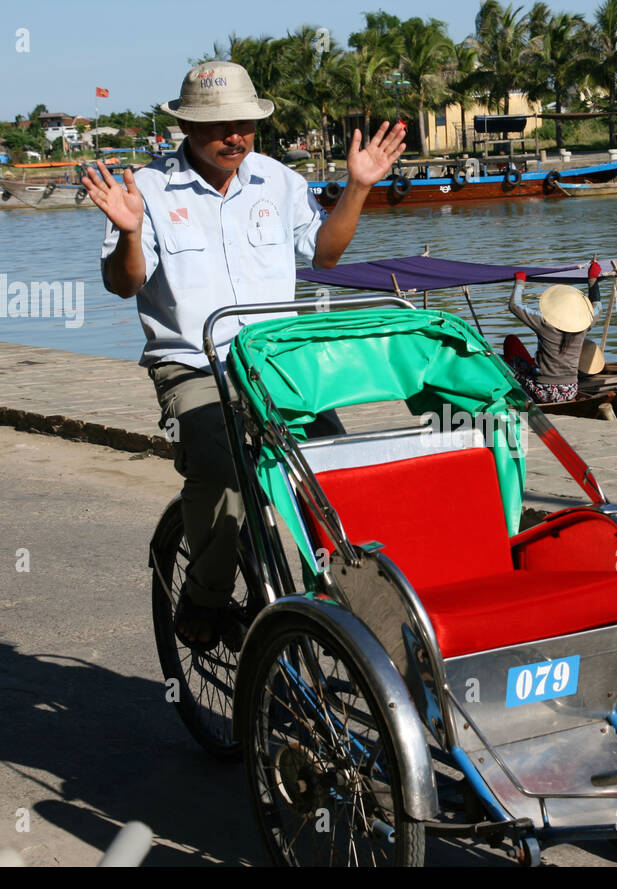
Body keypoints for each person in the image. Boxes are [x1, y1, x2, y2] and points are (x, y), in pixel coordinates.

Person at [83, 60, 405, 647]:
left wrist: (359, 186)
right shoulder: (146, 189)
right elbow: (124, 285)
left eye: (244, 124)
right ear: (186, 127)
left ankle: (346, 599)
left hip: (275, 360)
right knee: (223, 476)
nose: (234, 136)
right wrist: (130, 232)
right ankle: (202, 603)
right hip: (192, 365)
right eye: (217, 125)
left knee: (333, 468)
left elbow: (324, 256)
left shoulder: (278, 181)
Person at [503, 262, 601, 404]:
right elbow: (598, 306)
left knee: (512, 348)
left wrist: (520, 281)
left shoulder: (544, 323)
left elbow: (515, 305)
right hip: (570, 390)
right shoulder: (584, 325)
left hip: (543, 391)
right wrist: (593, 279)